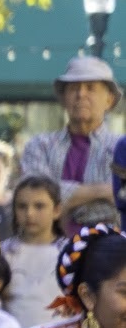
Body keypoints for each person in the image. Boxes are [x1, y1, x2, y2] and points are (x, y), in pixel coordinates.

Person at [18, 55, 125, 215]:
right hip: (49, 239)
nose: (81, 94)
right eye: (74, 88)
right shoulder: (40, 145)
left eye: (90, 88)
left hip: (110, 237)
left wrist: (59, 194)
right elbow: (35, 196)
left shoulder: (121, 148)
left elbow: (121, 199)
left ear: (109, 100)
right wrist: (105, 190)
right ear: (63, 98)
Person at [1, 175, 66, 327]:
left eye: (39, 206)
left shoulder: (70, 254)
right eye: (22, 206)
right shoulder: (3, 252)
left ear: (56, 210)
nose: (29, 213)